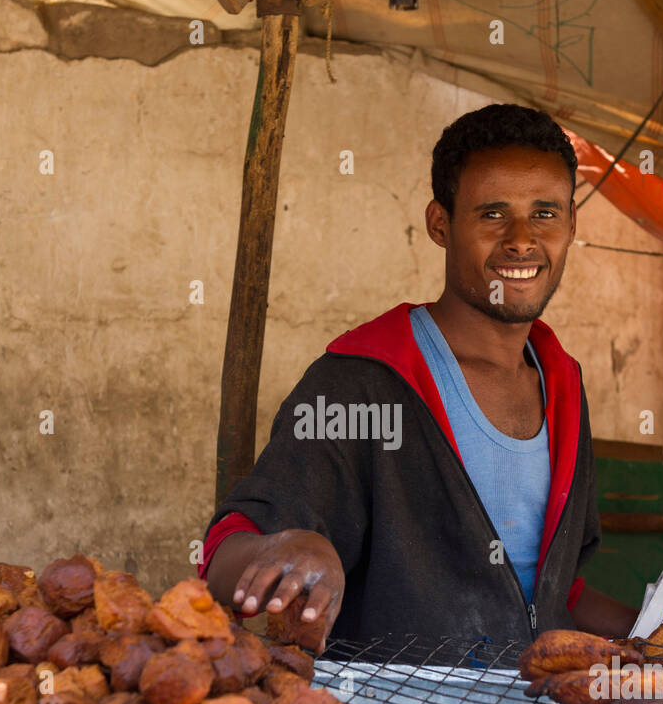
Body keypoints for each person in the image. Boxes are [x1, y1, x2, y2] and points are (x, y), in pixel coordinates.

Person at [199, 103, 638, 648]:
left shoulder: (563, 385)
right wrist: (283, 550)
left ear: (572, 224)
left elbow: (554, 594)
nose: (522, 239)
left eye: (545, 214)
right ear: (440, 224)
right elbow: (225, 550)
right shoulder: (363, 381)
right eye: (492, 214)